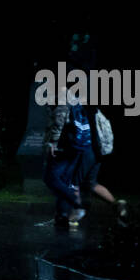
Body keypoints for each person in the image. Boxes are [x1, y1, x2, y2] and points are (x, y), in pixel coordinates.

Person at [43, 92, 91, 228]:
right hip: (77, 146)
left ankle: (77, 203)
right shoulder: (74, 97)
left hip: (63, 146)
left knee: (50, 178)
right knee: (63, 180)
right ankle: (62, 216)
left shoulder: (62, 95)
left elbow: (60, 118)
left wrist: (53, 142)